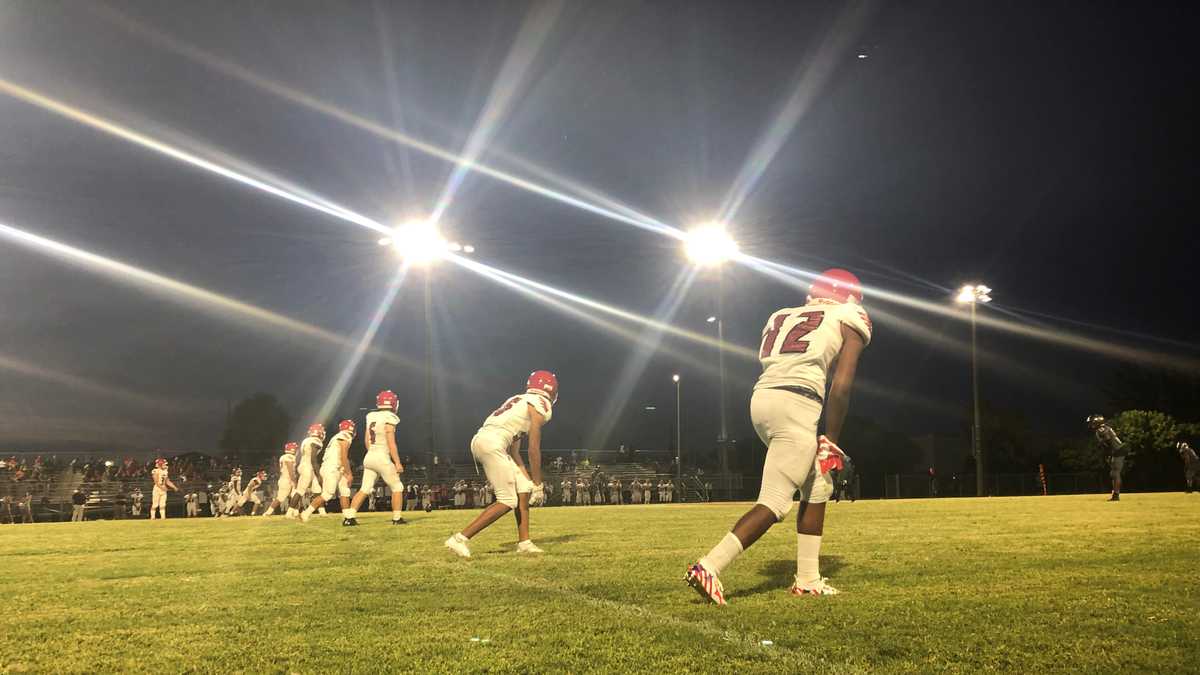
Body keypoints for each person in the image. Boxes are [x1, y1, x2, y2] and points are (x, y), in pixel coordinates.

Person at [687, 268, 872, 603]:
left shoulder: (782, 315)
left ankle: (808, 579)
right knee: (775, 501)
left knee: (819, 484)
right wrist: (831, 438)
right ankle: (709, 566)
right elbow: (841, 386)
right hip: (797, 403)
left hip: (763, 399)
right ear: (850, 297)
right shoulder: (850, 314)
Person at [445, 371, 557, 558]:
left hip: (486, 440)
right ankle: (459, 539)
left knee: (522, 488)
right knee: (507, 500)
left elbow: (514, 452)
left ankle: (524, 542)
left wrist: (529, 481)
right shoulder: (540, 403)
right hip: (492, 443)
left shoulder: (519, 400)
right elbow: (533, 449)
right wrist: (539, 483)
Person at [344, 390, 406, 526]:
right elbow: (391, 442)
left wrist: (372, 453)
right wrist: (397, 462)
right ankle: (397, 518)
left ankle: (349, 518)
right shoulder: (390, 417)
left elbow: (367, 439)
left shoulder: (371, 416)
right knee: (397, 487)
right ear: (394, 403)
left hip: (370, 455)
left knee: (364, 488)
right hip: (382, 456)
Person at [301, 420, 356, 522]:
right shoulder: (345, 435)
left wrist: (344, 470)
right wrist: (349, 474)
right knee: (327, 494)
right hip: (332, 468)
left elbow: (341, 457)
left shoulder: (338, 436)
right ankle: (305, 513)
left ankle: (348, 518)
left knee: (345, 490)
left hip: (335, 467)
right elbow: (343, 456)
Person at [1087, 415, 1127, 501]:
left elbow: (1108, 440)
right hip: (1118, 449)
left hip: (1117, 450)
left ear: (1096, 423)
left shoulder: (1100, 430)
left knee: (1115, 473)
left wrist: (1109, 454)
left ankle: (1116, 495)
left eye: (1092, 423)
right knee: (1113, 473)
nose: (1091, 425)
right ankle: (1115, 493)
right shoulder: (1105, 427)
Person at [295, 423, 326, 513]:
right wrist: (318, 474)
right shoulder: (316, 441)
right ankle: (290, 512)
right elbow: (313, 459)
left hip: (303, 464)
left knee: (317, 490)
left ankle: (322, 511)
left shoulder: (306, 440)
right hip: (309, 466)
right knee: (301, 490)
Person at [263, 443, 299, 517]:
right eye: (295, 448)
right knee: (281, 498)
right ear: (292, 449)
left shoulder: (284, 457)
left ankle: (295, 513)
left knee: (295, 496)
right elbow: (290, 470)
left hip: (285, 478)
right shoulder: (289, 457)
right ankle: (268, 513)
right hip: (287, 479)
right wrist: (294, 481)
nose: (296, 450)